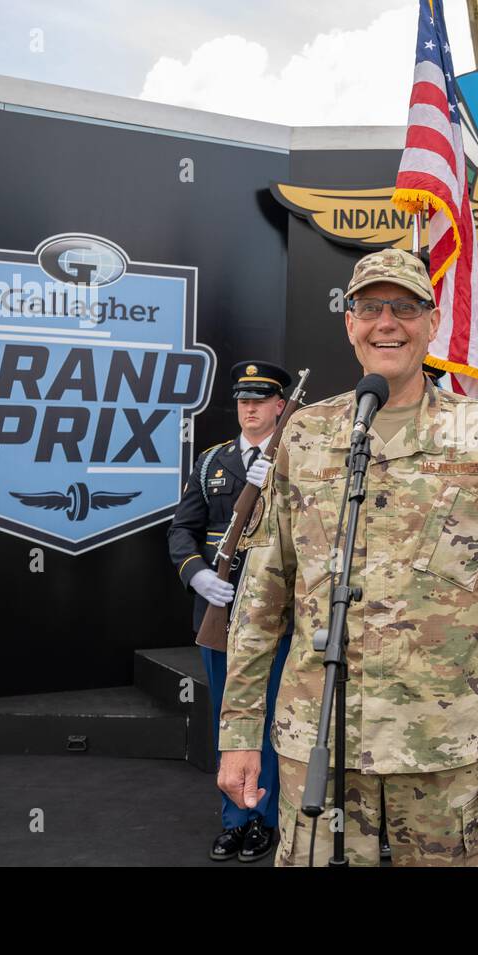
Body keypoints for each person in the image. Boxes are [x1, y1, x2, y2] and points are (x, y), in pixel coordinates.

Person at [216, 248, 478, 867]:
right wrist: (240, 731)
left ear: (432, 324)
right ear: (348, 323)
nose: (387, 324)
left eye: (405, 308)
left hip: (445, 748)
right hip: (318, 743)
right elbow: (262, 596)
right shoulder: (305, 434)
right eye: (370, 308)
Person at [167, 360, 294, 862]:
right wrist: (196, 574)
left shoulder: (296, 461)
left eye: (260, 400)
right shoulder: (212, 461)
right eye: (243, 399)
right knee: (229, 715)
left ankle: (265, 816)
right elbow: (182, 529)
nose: (249, 407)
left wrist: (280, 482)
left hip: (277, 610)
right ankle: (234, 818)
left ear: (280, 406)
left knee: (271, 717)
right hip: (219, 607)